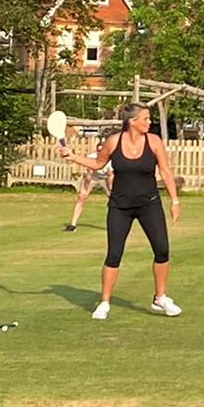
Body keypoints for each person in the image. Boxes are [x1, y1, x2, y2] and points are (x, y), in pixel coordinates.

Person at [60, 103, 183, 320]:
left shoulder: (154, 142)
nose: (149, 122)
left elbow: (165, 170)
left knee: (162, 250)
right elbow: (98, 164)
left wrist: (174, 201)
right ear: (132, 122)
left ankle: (160, 298)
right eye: (145, 119)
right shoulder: (113, 142)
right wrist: (71, 156)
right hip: (120, 207)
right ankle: (105, 302)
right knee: (114, 254)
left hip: (149, 204)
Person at [63, 147, 112, 232]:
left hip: (105, 177)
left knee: (113, 200)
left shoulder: (110, 161)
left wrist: (110, 189)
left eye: (102, 150)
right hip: (92, 176)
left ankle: (114, 226)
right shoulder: (91, 157)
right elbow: (89, 175)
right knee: (81, 198)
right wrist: (85, 190)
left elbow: (110, 176)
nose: (100, 152)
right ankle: (73, 224)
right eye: (98, 151)